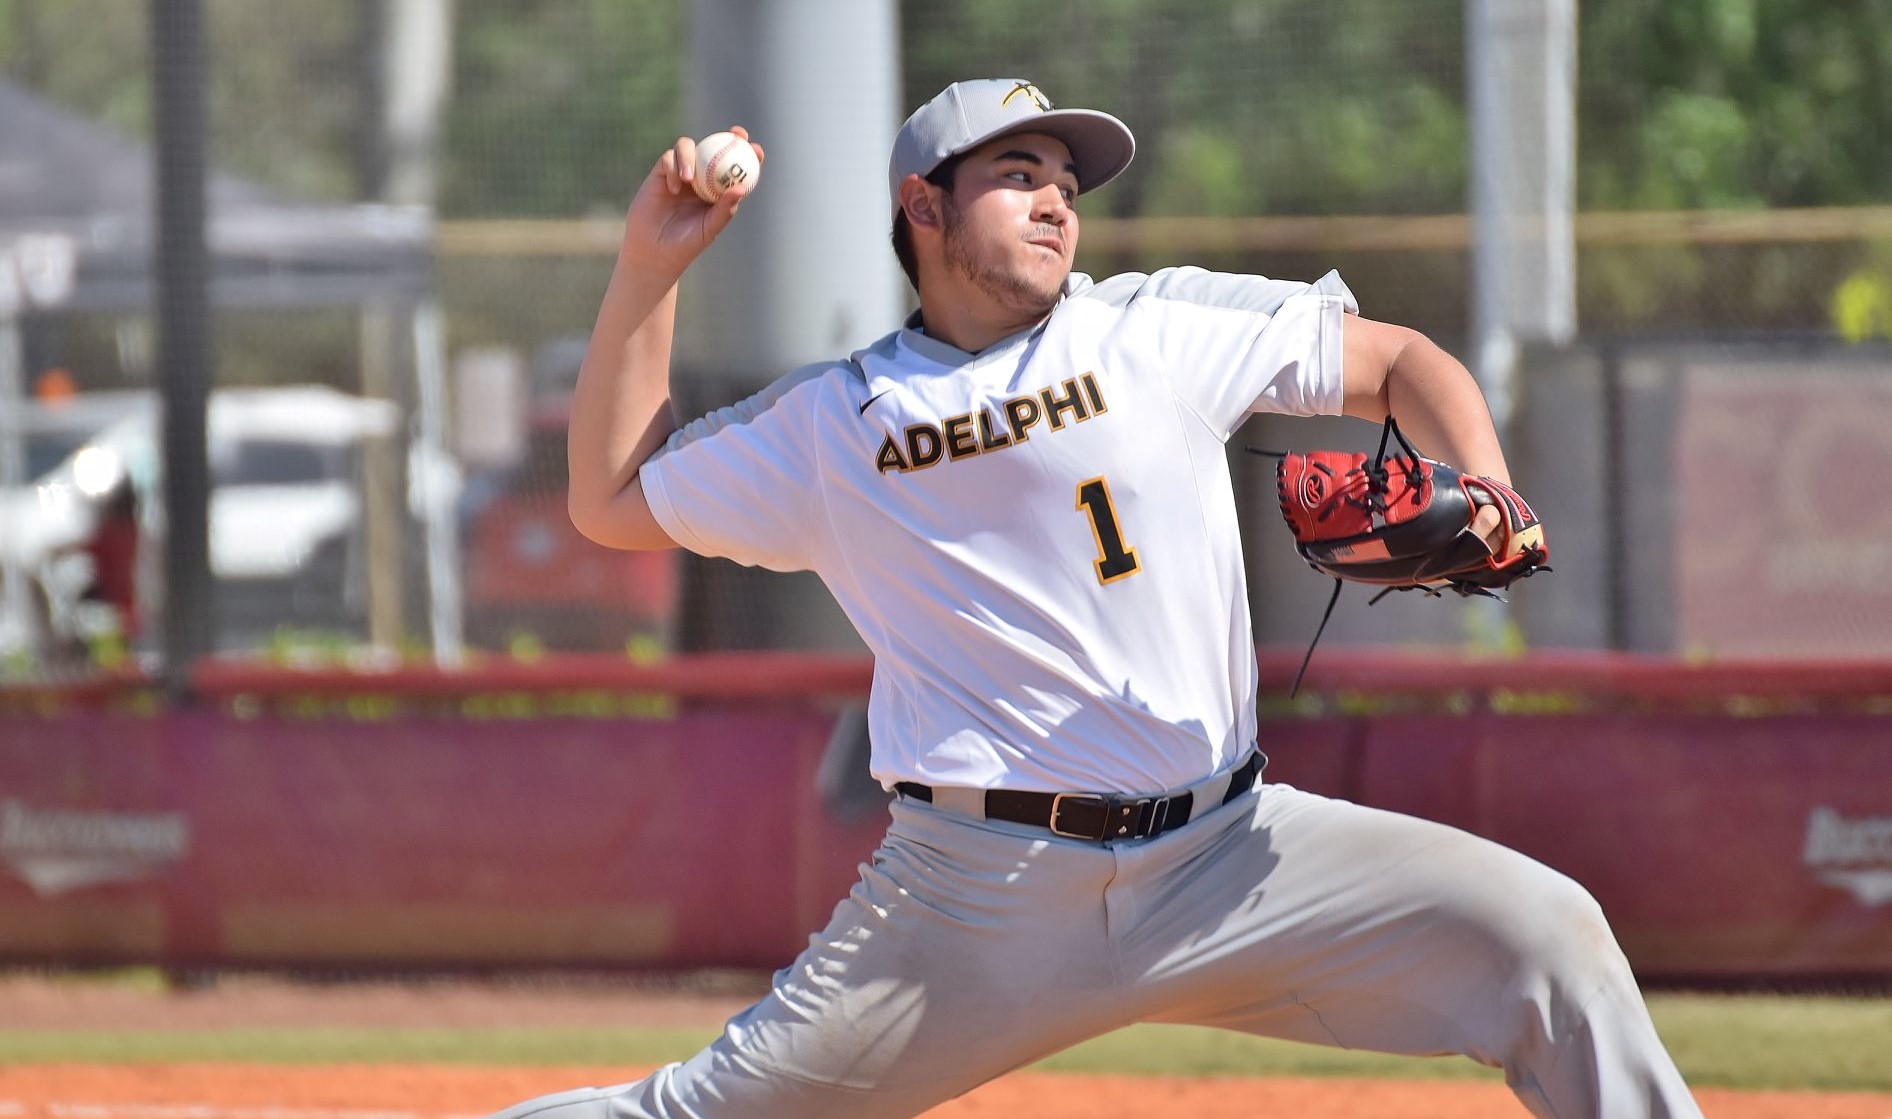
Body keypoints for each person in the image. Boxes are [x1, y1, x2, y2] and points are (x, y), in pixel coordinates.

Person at [493, 78, 1702, 1119]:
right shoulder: (837, 420)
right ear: (922, 206)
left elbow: (1400, 362)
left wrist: (1483, 485)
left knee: (1549, 941)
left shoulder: (1152, 327)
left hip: (1233, 859)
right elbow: (610, 499)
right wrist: (652, 266)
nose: (1056, 197)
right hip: (974, 895)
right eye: (1016, 173)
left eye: (1066, 178)